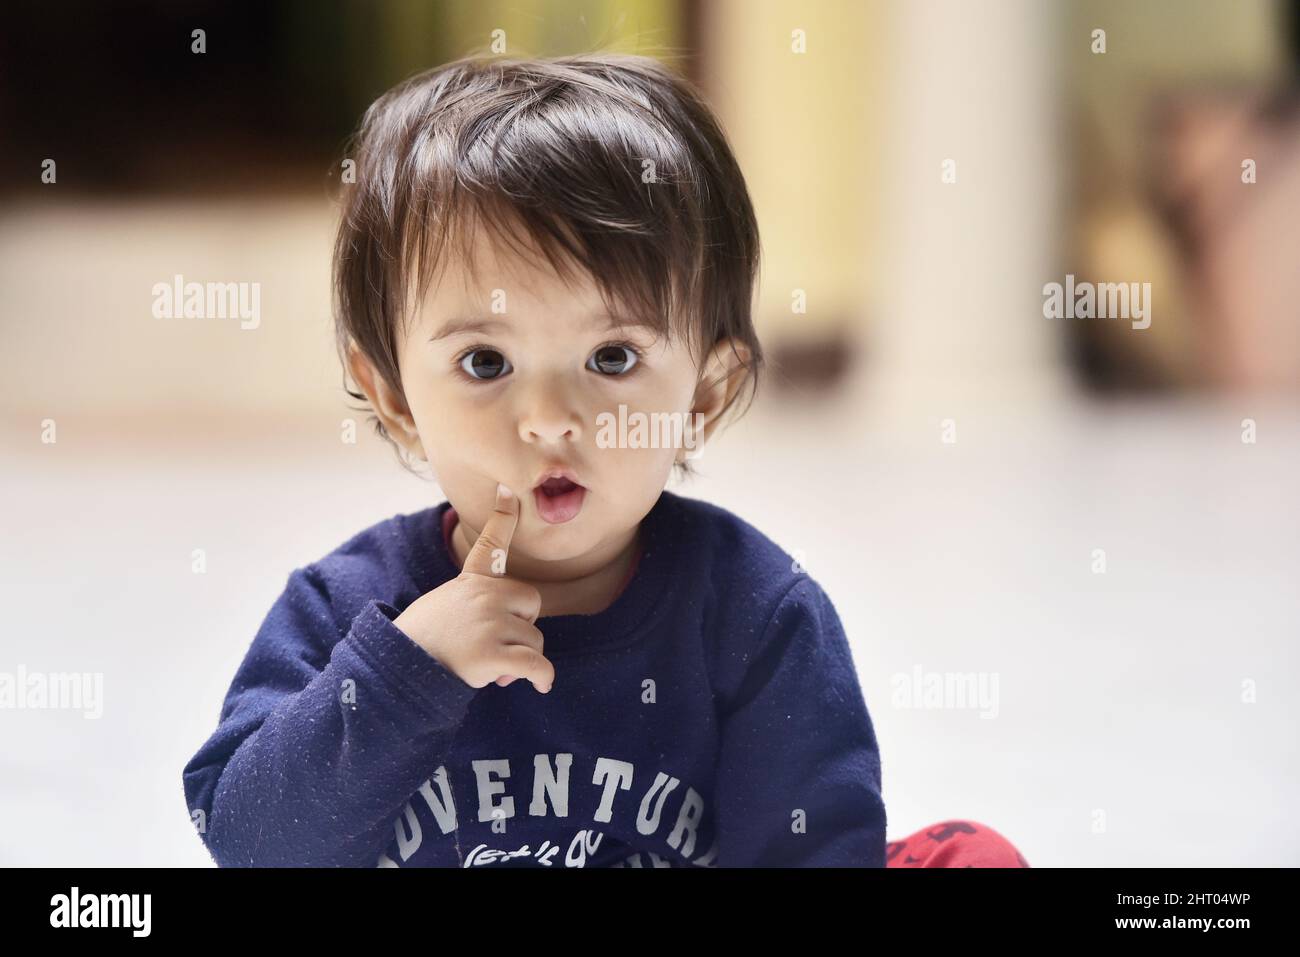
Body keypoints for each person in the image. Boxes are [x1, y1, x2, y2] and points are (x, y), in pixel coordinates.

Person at [182, 52, 1027, 868]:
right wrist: (412, 669)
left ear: (704, 392)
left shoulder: (757, 617)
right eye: (486, 363)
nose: (551, 420)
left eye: (612, 358)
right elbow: (252, 843)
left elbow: (813, 846)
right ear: (396, 396)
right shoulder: (347, 611)